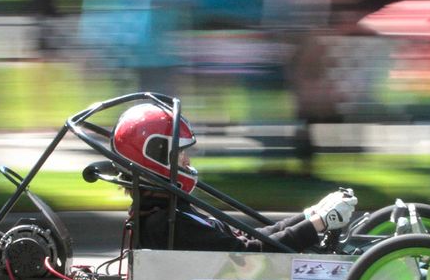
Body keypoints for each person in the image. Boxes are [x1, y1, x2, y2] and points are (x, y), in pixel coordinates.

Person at [112, 103, 357, 252]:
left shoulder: (172, 212)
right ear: (156, 160)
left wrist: (309, 216)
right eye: (179, 154)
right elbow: (248, 255)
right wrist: (318, 225)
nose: (187, 161)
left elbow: (249, 238)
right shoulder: (167, 223)